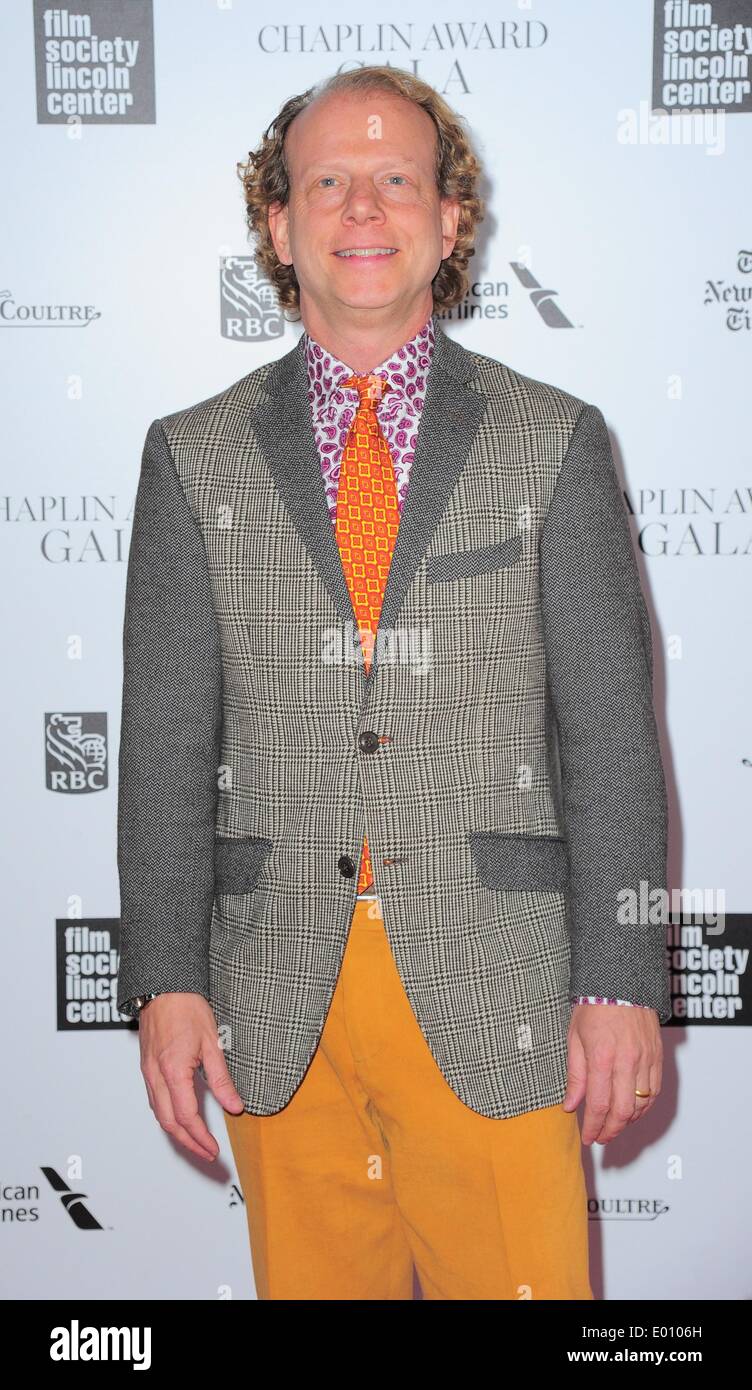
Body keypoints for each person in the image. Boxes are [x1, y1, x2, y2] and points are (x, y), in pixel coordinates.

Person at [116, 65, 670, 1301]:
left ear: (448, 221)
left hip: (501, 988)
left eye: (395, 181)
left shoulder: (556, 438)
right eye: (327, 181)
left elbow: (612, 742)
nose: (361, 207)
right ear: (279, 225)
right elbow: (159, 745)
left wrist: (622, 979)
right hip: (275, 999)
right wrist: (162, 978)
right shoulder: (188, 456)